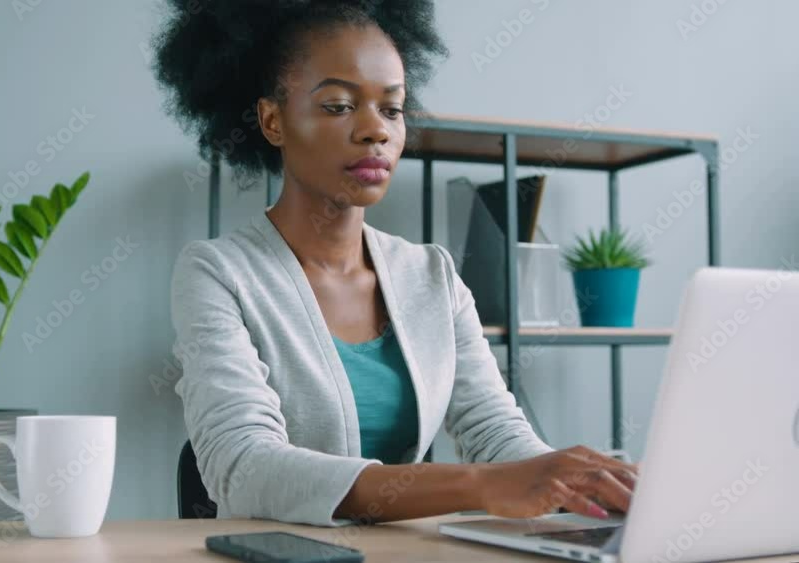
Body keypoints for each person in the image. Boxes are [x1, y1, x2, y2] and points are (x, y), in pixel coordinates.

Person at [152, 0, 638, 527]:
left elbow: (494, 432)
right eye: (339, 105)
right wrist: (480, 486)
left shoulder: (432, 275)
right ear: (272, 120)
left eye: (392, 108)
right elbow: (243, 468)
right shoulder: (218, 273)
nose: (374, 130)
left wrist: (581, 481)